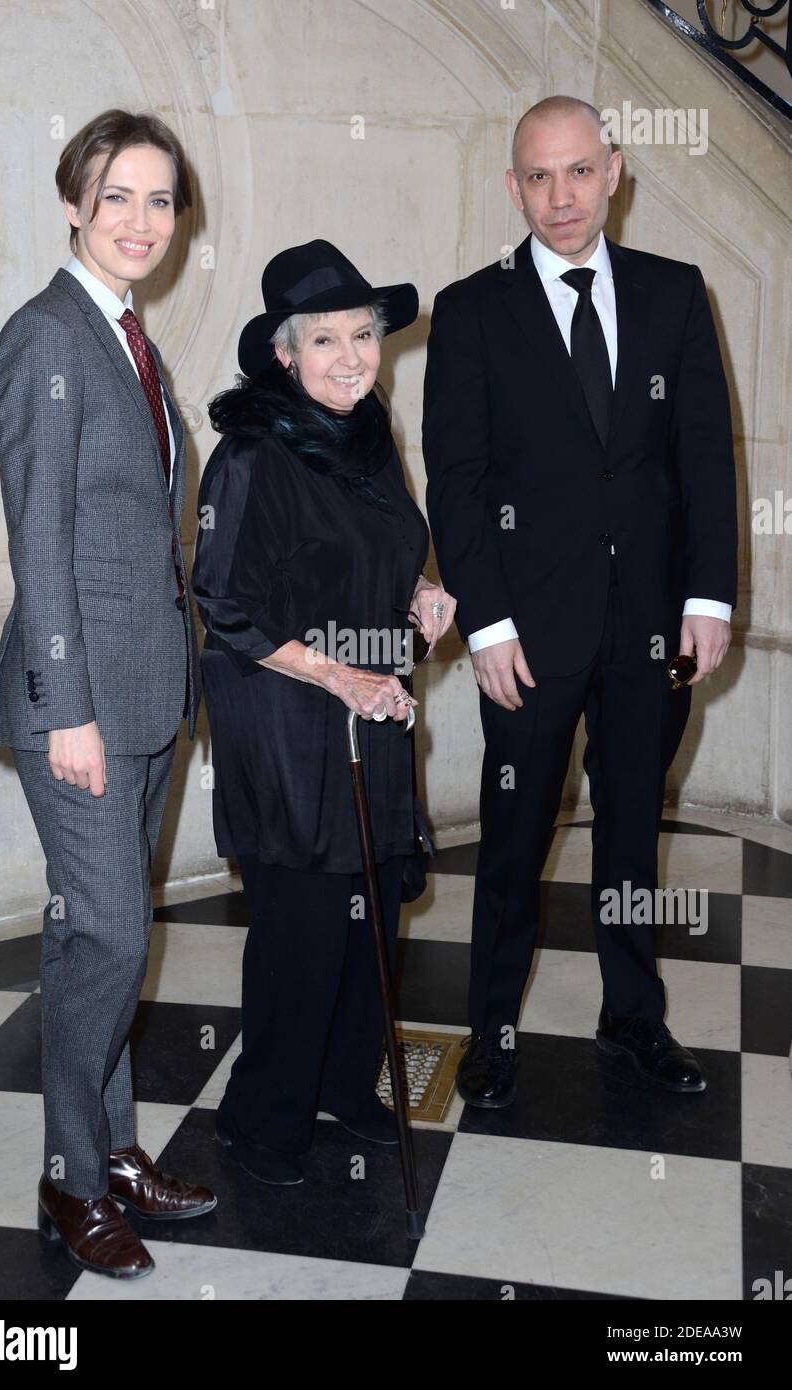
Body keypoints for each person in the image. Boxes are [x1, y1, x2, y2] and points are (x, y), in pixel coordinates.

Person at [423, 96, 737, 1107]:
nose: (559, 196)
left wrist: (707, 596)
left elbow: (700, 455)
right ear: (511, 187)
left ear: (612, 173)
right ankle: (493, 1025)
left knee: (629, 826)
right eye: (537, 177)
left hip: (649, 626)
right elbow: (455, 479)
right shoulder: (472, 309)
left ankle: (632, 1014)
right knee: (514, 837)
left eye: (577, 172)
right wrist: (486, 623)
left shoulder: (674, 294)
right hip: (525, 630)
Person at [0, 109, 214, 1278]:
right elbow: (40, 541)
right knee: (112, 933)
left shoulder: (130, 340)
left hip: (146, 694)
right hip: (79, 706)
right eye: (117, 195)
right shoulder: (48, 338)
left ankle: (116, 1150)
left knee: (99, 943)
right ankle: (73, 1176)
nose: (140, 220)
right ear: (74, 202)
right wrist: (65, 706)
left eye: (160, 200)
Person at [192, 239, 456, 1184]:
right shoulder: (253, 455)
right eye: (325, 341)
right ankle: (262, 1120)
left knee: (371, 917)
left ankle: (350, 1086)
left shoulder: (367, 431)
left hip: (373, 712)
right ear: (283, 354)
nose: (350, 358)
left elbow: (378, 550)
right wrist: (338, 676)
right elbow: (224, 603)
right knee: (304, 929)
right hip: (291, 727)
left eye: (363, 336)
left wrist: (422, 592)